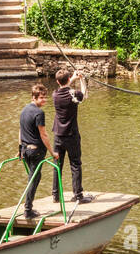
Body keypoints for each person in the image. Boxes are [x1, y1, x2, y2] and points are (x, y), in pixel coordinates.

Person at [52, 66, 93, 205]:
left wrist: (73, 78)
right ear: (68, 79)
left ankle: (55, 195)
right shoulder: (73, 94)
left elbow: (64, 87)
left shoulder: (55, 94)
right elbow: (84, 95)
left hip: (58, 135)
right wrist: (82, 80)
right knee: (75, 164)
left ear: (58, 82)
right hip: (71, 135)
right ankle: (78, 195)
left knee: (57, 165)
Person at [19, 82, 58, 220]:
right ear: (34, 97)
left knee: (33, 177)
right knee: (34, 179)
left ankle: (28, 206)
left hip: (26, 150)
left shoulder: (24, 110)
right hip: (36, 152)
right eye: (41, 98)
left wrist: (20, 149)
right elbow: (44, 134)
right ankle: (28, 210)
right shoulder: (39, 113)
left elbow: (21, 130)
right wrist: (52, 152)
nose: (44, 100)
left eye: (45, 97)